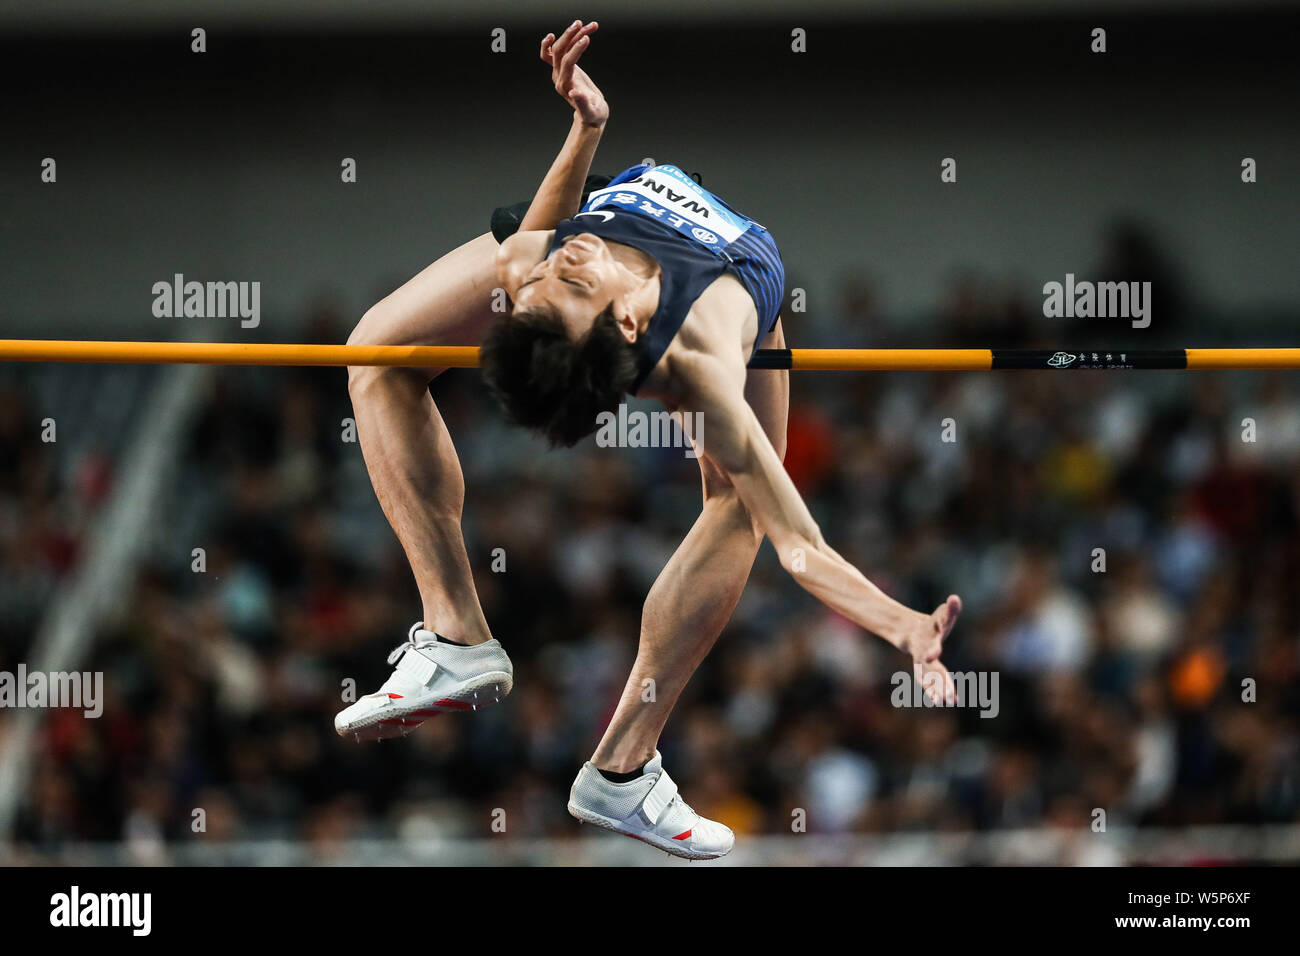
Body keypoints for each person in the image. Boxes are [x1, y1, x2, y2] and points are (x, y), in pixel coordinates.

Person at [336, 20, 960, 859]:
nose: (569, 251)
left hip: (716, 279)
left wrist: (587, 130)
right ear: (623, 320)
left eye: (561, 269)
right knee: (377, 357)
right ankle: (457, 637)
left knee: (733, 502)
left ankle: (620, 768)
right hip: (726, 277)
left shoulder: (603, 304)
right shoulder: (638, 329)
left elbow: (795, 545)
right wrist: (902, 627)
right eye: (569, 276)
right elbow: (800, 544)